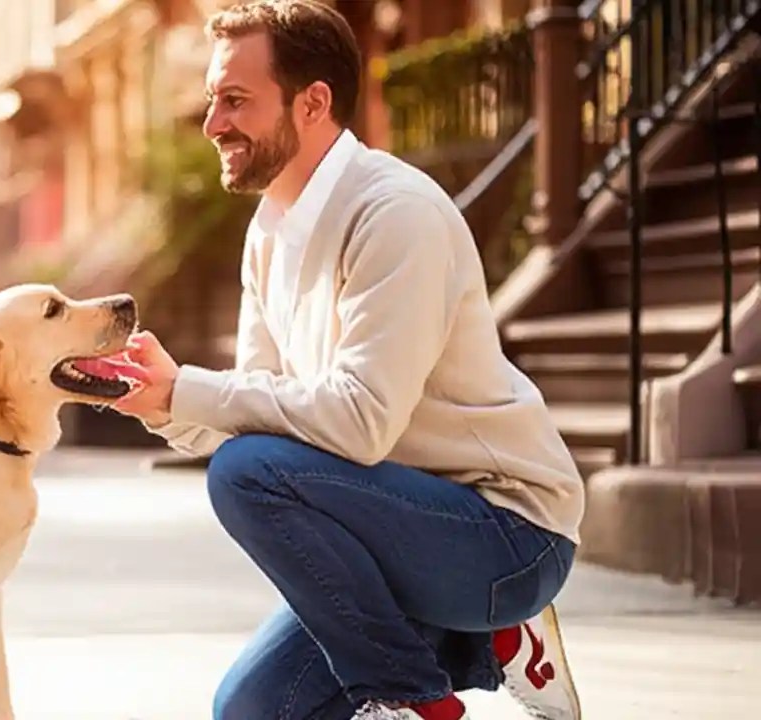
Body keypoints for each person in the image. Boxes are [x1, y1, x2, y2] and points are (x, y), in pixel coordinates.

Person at [111, 2, 586, 719]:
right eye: (213, 100)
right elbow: (251, 412)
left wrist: (192, 394)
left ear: (313, 103)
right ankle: (487, 644)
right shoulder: (268, 232)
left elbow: (360, 423)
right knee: (248, 712)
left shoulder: (393, 213)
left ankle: (411, 698)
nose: (212, 124)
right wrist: (157, 400)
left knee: (245, 477)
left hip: (506, 533)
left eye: (235, 100)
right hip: (390, 526)